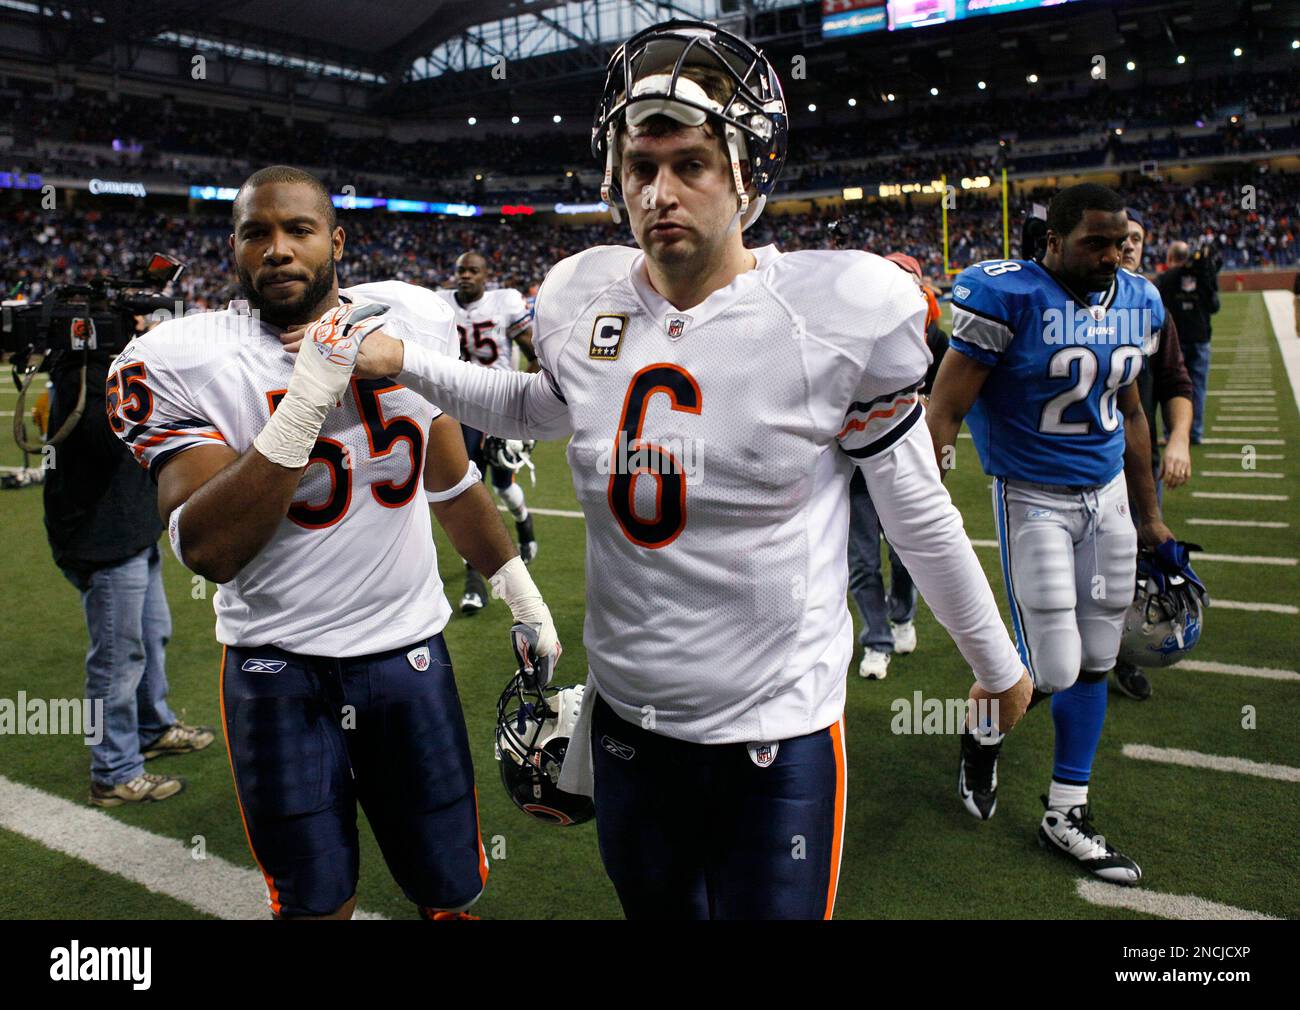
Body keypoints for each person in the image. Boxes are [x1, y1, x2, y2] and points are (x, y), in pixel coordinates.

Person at [335, 20, 1032, 920]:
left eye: (691, 164)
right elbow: (537, 408)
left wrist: (997, 661)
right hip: (629, 722)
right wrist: (413, 364)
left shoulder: (832, 313)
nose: (658, 191)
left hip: (775, 734)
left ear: (746, 174)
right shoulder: (583, 293)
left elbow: (914, 509)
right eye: (640, 166)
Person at [108, 165, 560, 920]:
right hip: (276, 667)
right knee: (314, 901)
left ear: (336, 241)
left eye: (298, 230)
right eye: (257, 234)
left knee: (450, 891)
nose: (278, 249)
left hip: (406, 653)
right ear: (235, 250)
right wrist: (307, 402)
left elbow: (449, 484)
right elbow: (207, 549)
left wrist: (520, 591)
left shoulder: (409, 320)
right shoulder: (186, 356)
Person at [928, 183, 1195, 885]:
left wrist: (1150, 517)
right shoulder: (1007, 294)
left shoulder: (1138, 301)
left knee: (1099, 653)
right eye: (1093, 244)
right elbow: (947, 405)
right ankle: (983, 733)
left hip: (1105, 495)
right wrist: (920, 499)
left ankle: (1067, 811)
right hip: (1033, 496)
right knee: (1051, 663)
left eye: (1118, 242)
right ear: (1053, 242)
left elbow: (1133, 414)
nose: (1110, 256)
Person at [45, 328, 213, 808]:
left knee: (151, 637)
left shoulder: (99, 366)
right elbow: (100, 440)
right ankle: (113, 771)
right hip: (105, 537)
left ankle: (152, 727)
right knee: (117, 660)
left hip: (129, 528)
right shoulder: (81, 372)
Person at [849, 252, 945, 679]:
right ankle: (876, 638)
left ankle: (902, 615)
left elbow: (946, 399)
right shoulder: (849, 331)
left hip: (902, 458)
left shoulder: (935, 337)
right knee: (863, 561)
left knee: (904, 552)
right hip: (853, 464)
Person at [1112, 209, 1195, 701]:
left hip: (1136, 463)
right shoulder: (1070, 303)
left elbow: (1175, 381)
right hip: (1074, 464)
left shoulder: (1150, 305)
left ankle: (1123, 655)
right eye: (1119, 238)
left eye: (1137, 239)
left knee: (1135, 568)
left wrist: (1180, 438)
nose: (1127, 247)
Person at [435, 251, 540, 613]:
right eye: (460, 269)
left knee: (503, 487)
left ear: (486, 276)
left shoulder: (505, 302)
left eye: (472, 270)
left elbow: (535, 355)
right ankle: (474, 581)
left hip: (497, 406)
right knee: (466, 489)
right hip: (460, 409)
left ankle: (524, 524)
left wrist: (520, 406)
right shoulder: (441, 303)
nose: (465, 275)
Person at [1156, 241, 1219, 444]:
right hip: (1200, 338)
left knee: (1170, 388)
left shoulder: (1166, 278)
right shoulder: (1202, 275)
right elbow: (1214, 306)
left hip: (1175, 342)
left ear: (1170, 257)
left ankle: (1170, 433)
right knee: (1198, 387)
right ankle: (1195, 432)